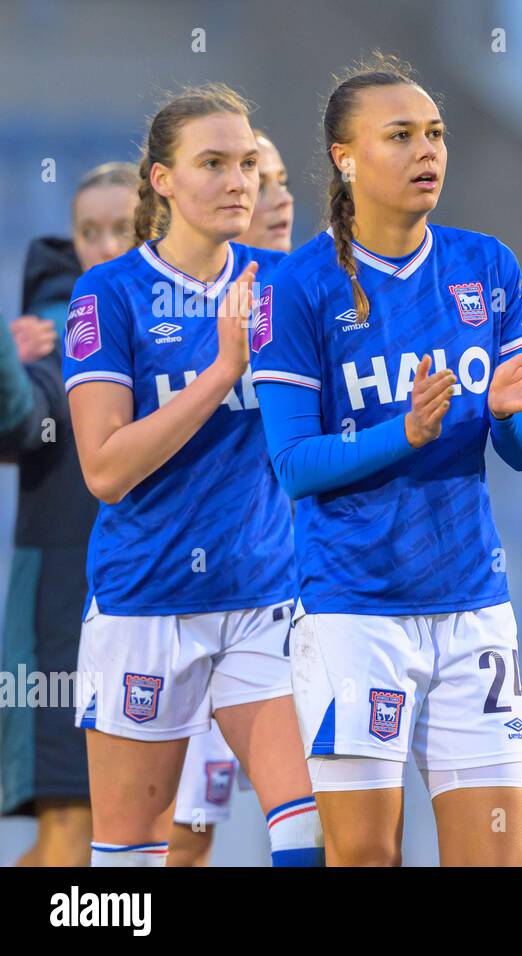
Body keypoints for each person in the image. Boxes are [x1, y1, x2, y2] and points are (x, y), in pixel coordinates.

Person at [249, 54, 522, 866]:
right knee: (366, 857)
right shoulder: (297, 287)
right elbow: (294, 465)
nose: (427, 151)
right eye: (401, 136)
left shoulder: (486, 266)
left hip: (472, 604)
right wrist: (407, 435)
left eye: (435, 134)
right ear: (345, 160)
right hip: (355, 608)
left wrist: (510, 409)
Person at [62, 84, 322, 867]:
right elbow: (105, 470)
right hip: (147, 602)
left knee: (311, 830)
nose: (240, 181)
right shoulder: (107, 296)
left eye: (247, 162)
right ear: (163, 181)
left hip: (262, 600)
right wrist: (222, 370)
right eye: (212, 163)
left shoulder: (285, 282)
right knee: (131, 862)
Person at [0, 162, 138, 866]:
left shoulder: (191, 331)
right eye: (90, 232)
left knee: (168, 838)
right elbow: (19, 423)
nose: (106, 246)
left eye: (124, 228)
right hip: (61, 619)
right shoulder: (55, 336)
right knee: (71, 835)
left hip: (167, 616)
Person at [168, 127, 297, 867]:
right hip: (192, 607)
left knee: (328, 823)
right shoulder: (172, 313)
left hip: (288, 607)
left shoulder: (311, 301)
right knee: (183, 842)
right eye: (253, 176)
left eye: (277, 179)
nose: (274, 199)